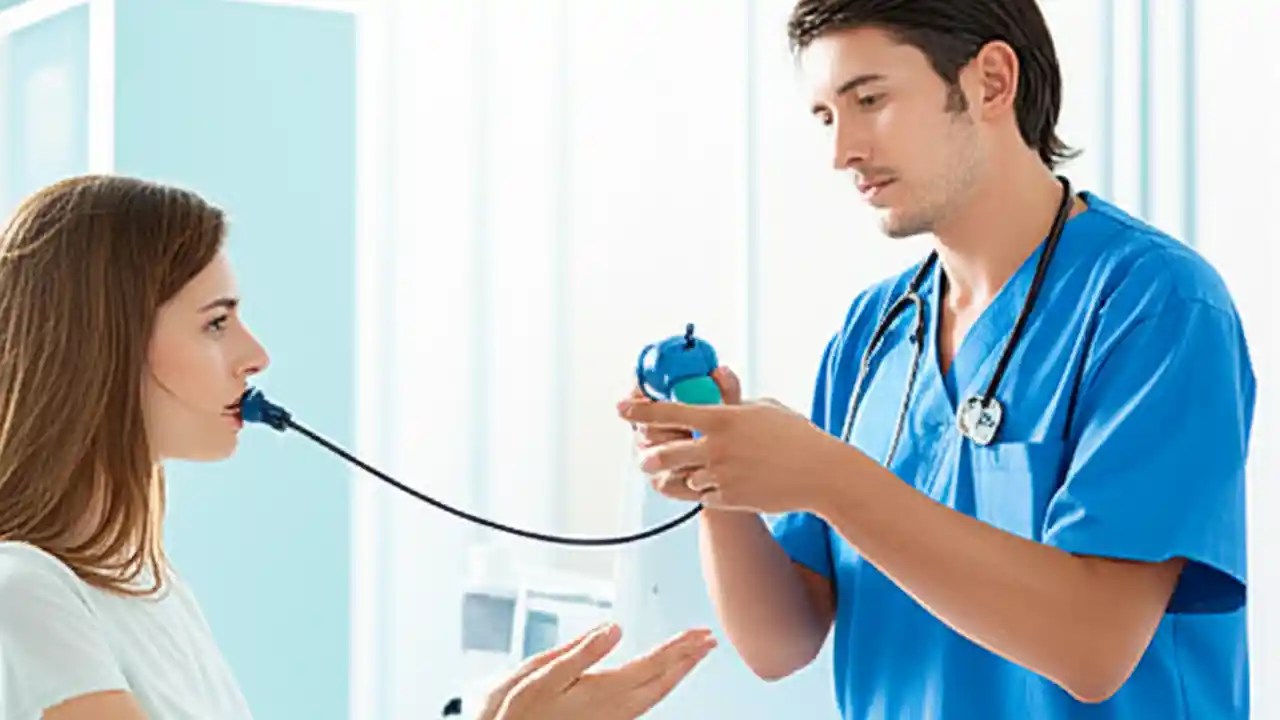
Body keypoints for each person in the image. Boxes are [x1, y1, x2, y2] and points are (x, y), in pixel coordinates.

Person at [620, 1, 1254, 718]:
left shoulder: (1154, 305)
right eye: (828, 116)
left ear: (990, 81)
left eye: (870, 100)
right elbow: (780, 642)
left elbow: (1094, 645)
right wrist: (716, 478)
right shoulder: (871, 336)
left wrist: (827, 478)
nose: (843, 151)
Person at [0, 175, 715, 720]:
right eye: (216, 324)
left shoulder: (144, 583)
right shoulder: (25, 596)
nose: (256, 355)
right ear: (103, 346)